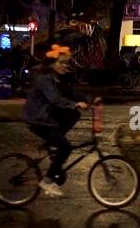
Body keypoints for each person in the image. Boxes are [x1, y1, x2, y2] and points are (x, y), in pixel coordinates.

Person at [22, 44, 93, 198]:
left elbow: (71, 92)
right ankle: (47, 180)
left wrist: (89, 99)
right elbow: (55, 99)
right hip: (38, 119)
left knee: (74, 115)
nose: (64, 66)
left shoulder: (57, 78)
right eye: (61, 63)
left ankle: (54, 141)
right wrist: (75, 104)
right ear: (52, 63)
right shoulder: (44, 79)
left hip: (47, 116)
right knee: (66, 148)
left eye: (66, 63)